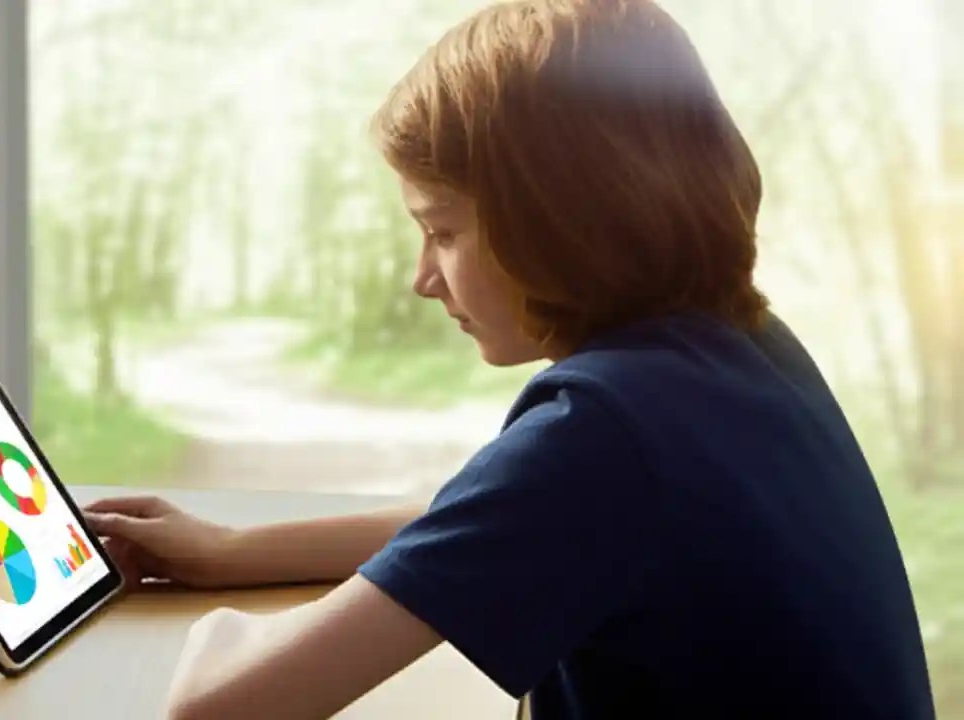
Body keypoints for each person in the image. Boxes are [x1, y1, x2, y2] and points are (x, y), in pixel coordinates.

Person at [82, 1, 936, 717]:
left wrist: (219, 623)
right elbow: (484, 522)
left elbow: (219, 707)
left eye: (442, 232)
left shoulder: (608, 427)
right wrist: (232, 549)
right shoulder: (740, 349)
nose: (423, 278)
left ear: (562, 218)